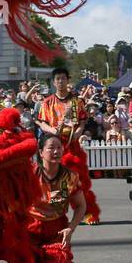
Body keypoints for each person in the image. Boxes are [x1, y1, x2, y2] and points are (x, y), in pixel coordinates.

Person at [35, 65, 99, 224]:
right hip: (53, 145)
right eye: (58, 79)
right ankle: (53, 213)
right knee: (52, 180)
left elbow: (82, 123)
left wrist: (79, 132)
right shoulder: (47, 102)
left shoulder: (76, 102)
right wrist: (51, 130)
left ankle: (87, 212)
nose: (61, 82)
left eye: (63, 78)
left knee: (79, 179)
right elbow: (42, 123)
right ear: (54, 82)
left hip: (72, 145)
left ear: (68, 80)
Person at [27, 134, 85, 263]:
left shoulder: (71, 177)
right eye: (51, 148)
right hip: (30, 228)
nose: (56, 151)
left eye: (59, 147)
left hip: (56, 229)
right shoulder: (29, 175)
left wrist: (70, 228)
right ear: (41, 152)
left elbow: (80, 206)